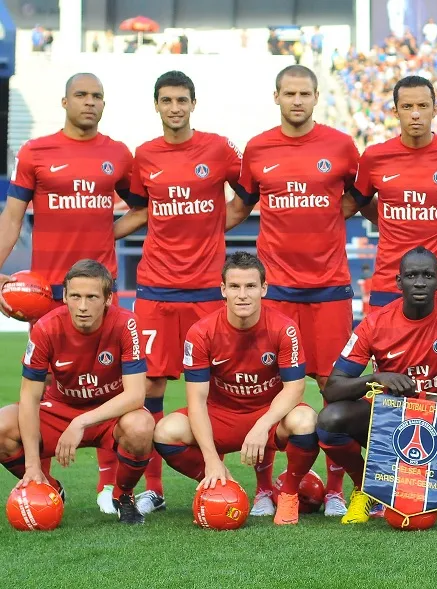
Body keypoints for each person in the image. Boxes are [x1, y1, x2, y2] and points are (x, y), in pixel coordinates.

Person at [226, 65, 370, 517]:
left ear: (316, 97)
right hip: (277, 291)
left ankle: (334, 489)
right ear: (277, 97)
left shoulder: (341, 146)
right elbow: (240, 206)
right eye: (289, 93)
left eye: (304, 93)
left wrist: (327, 215)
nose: (297, 101)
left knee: (333, 386)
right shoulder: (258, 148)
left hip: (328, 287)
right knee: (268, 386)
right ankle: (265, 489)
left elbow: (358, 198)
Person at [0, 72, 136, 514]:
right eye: (81, 95)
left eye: (97, 96)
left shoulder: (118, 154)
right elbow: (12, 217)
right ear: (64, 102)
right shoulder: (35, 152)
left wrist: (106, 233)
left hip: (100, 291)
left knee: (112, 381)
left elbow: (145, 208)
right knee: (48, 385)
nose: (90, 102)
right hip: (47, 295)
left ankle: (111, 486)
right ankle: (43, 484)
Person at [113, 70, 244, 516]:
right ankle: (153, 489)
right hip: (156, 289)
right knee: (149, 385)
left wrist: (215, 226)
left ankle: (223, 478)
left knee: (217, 384)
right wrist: (99, 238)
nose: (174, 107)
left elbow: (248, 194)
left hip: (207, 290)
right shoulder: (144, 155)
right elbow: (141, 210)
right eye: (166, 100)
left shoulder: (218, 148)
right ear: (156, 105)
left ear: (193, 103)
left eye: (182, 100)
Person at [320, 247, 437, 525]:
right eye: (411, 276)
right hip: (392, 424)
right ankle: (367, 488)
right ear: (399, 282)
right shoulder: (375, 323)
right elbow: (333, 388)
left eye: (427, 275)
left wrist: (433, 403)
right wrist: (376, 378)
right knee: (330, 418)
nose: (419, 282)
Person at [152, 252, 319, 526]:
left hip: (268, 414)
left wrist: (262, 425)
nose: (242, 295)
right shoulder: (201, 332)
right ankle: (222, 482)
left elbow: (295, 389)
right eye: (234, 286)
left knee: (306, 420)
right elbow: (196, 401)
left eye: (250, 286)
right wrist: (211, 460)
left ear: (264, 288)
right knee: (165, 431)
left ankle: (288, 494)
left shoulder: (284, 328)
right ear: (223, 290)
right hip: (222, 416)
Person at [0, 260, 153, 524]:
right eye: (75, 296)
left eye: (92, 297)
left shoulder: (126, 324)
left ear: (108, 299)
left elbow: (135, 395)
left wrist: (81, 422)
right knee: (2, 426)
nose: (82, 306)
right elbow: (29, 398)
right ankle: (47, 487)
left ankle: (123, 495)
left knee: (142, 427)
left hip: (110, 414)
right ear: (65, 297)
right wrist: (32, 465)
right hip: (59, 411)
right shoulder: (45, 328)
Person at [351, 75, 437, 308]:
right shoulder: (374, 157)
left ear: (435, 110)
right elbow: (356, 202)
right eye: (407, 107)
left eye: (423, 106)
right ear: (395, 112)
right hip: (389, 285)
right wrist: (389, 221)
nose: (415, 114)